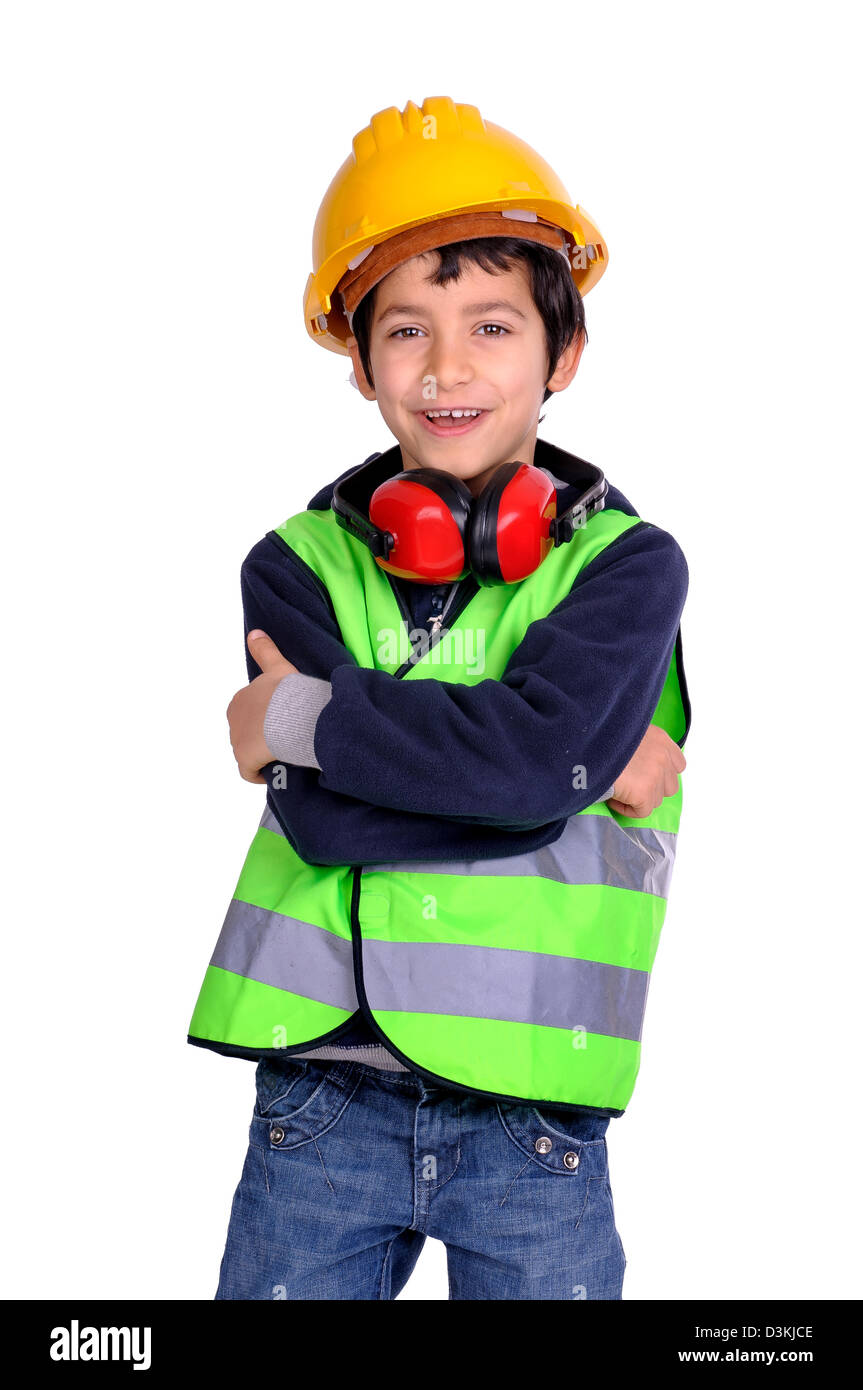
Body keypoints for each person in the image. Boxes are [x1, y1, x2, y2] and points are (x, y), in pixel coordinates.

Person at [188, 96, 691, 1300]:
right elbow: (325, 820)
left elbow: (518, 769)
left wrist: (300, 722)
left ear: (560, 354)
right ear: (358, 363)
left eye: (492, 326)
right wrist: (553, 772)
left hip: (532, 1121)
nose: (448, 367)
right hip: (321, 1098)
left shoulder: (626, 569)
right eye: (405, 329)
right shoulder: (295, 562)